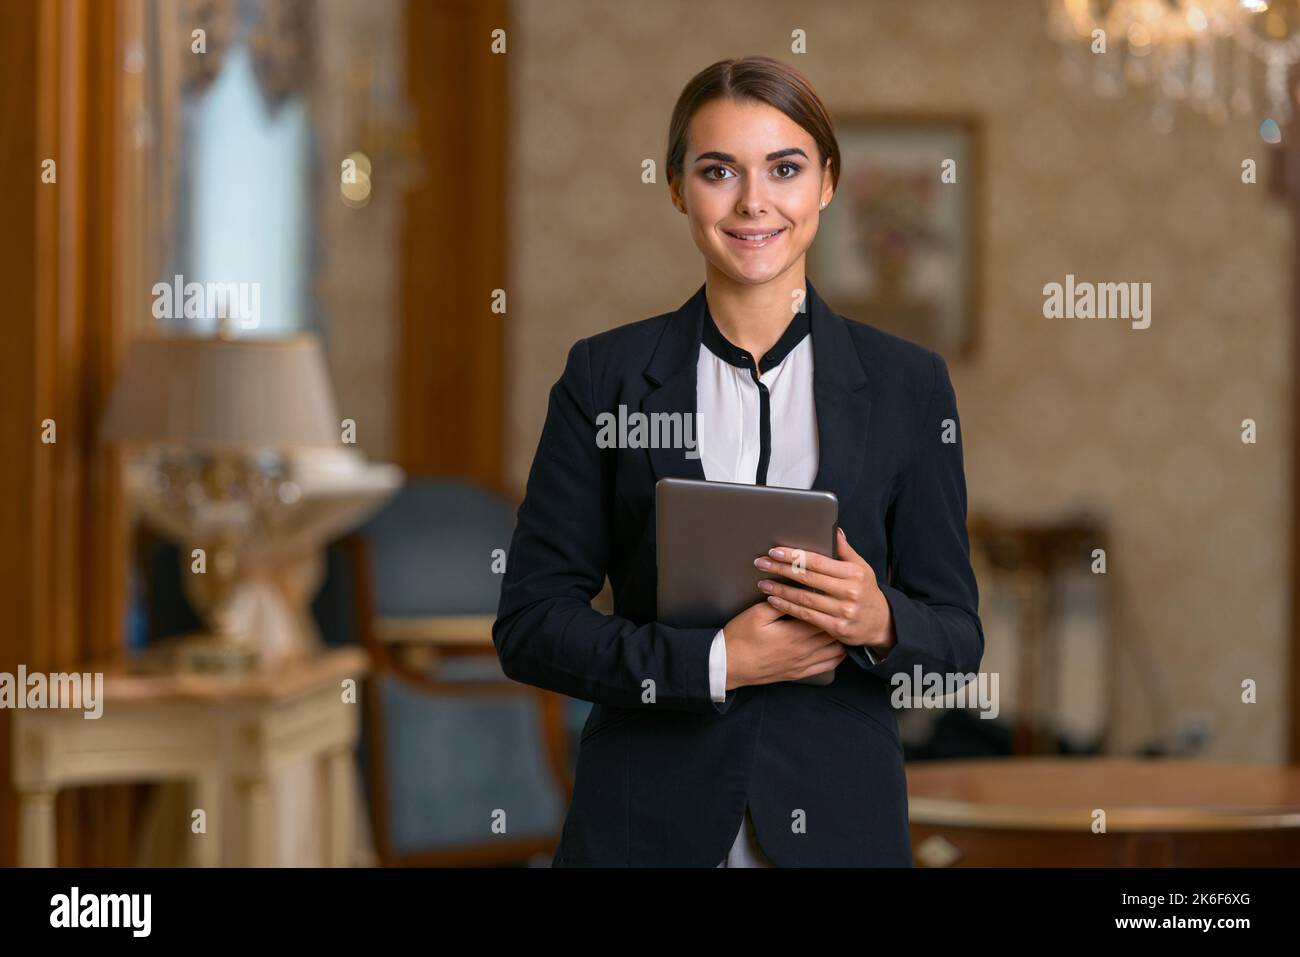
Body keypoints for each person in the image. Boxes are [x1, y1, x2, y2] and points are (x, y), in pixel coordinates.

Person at [493, 55, 983, 867]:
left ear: (827, 181)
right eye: (719, 170)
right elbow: (531, 624)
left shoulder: (909, 384)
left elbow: (959, 638)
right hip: (643, 823)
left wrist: (880, 619)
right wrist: (717, 661)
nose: (754, 201)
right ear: (678, 186)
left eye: (784, 169)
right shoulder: (603, 376)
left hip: (839, 825)